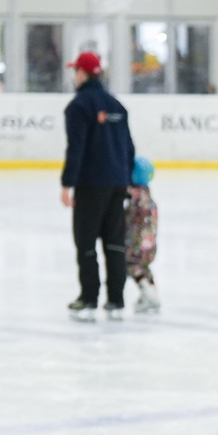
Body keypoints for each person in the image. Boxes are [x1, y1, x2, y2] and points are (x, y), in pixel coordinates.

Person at [59, 51, 135, 321]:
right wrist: (128, 180)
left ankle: (89, 298)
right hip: (117, 183)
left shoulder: (79, 106)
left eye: (75, 71)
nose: (74, 76)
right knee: (115, 243)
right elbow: (128, 148)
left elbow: (76, 148)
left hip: (91, 184)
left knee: (86, 242)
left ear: (82, 73)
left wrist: (67, 183)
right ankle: (116, 299)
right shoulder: (117, 106)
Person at [125, 157, 159, 314]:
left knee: (133, 266)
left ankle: (147, 292)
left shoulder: (132, 194)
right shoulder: (147, 193)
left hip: (136, 241)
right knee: (144, 266)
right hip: (150, 241)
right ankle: (152, 293)